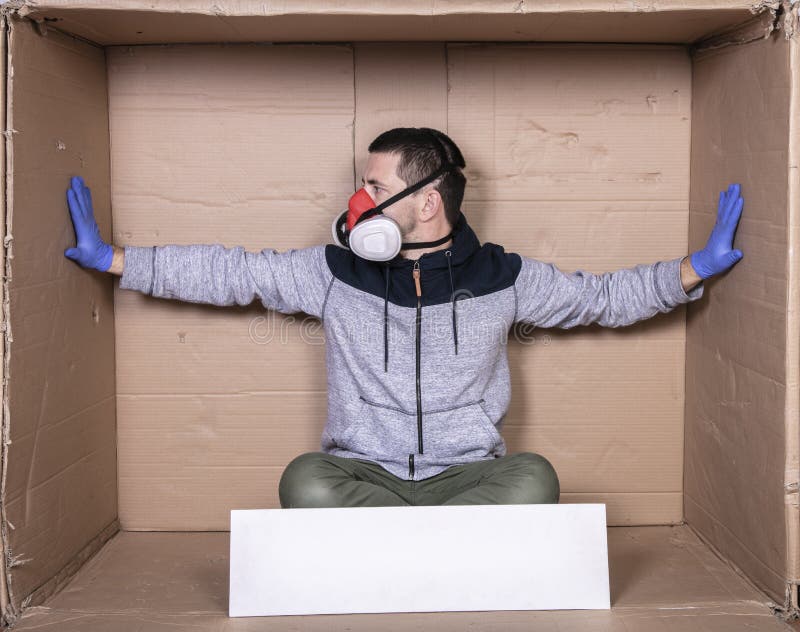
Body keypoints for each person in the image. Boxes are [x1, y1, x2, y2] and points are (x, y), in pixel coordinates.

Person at [64, 127, 744, 508]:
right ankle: (435, 551)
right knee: (304, 482)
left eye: (376, 187)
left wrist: (692, 271)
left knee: (535, 479)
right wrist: (119, 259)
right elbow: (234, 272)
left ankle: (406, 547)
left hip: (466, 477)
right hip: (365, 475)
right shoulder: (333, 273)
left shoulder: (502, 278)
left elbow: (601, 297)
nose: (358, 201)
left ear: (426, 203)